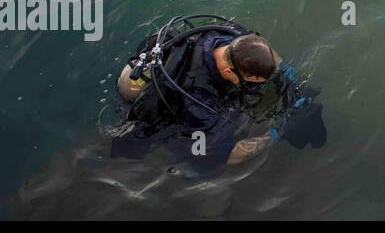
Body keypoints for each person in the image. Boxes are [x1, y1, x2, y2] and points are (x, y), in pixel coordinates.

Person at [110, 14, 325, 176]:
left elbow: (271, 57)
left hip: (189, 66)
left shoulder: (235, 36)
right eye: (251, 82)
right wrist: (275, 135)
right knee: (207, 166)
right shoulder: (198, 100)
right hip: (162, 98)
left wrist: (292, 83)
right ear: (229, 72)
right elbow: (228, 156)